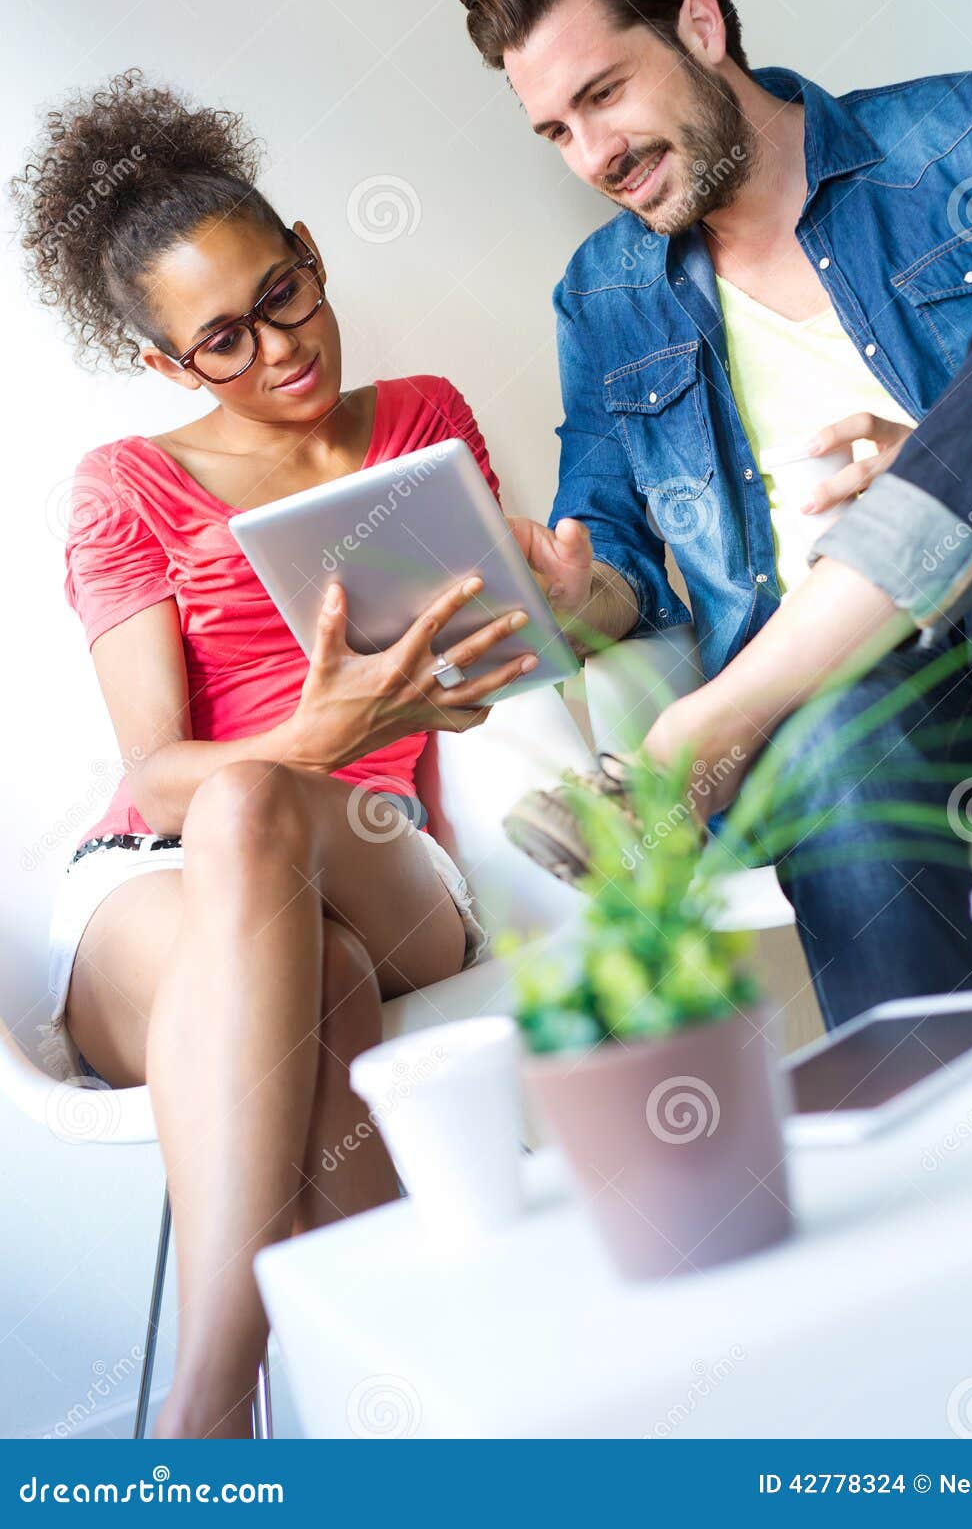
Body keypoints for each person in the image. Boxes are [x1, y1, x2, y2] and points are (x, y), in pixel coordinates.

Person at [12, 70, 539, 1439]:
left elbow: (491, 664)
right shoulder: (120, 485)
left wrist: (559, 615)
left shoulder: (420, 416)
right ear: (167, 364)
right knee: (313, 959)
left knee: (267, 808)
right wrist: (330, 726)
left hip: (379, 853)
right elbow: (162, 765)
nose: (279, 351)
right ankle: (405, 1421)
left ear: (307, 248)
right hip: (157, 877)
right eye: (222, 342)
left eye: (285, 293)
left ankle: (204, 1400)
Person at [460, 0, 972, 1024]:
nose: (594, 156)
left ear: (699, 26)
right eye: (555, 131)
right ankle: (918, 1160)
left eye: (602, 95)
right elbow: (616, 572)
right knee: (834, 734)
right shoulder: (605, 299)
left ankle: (707, 729)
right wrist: (565, 591)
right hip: (847, 706)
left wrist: (934, 458)